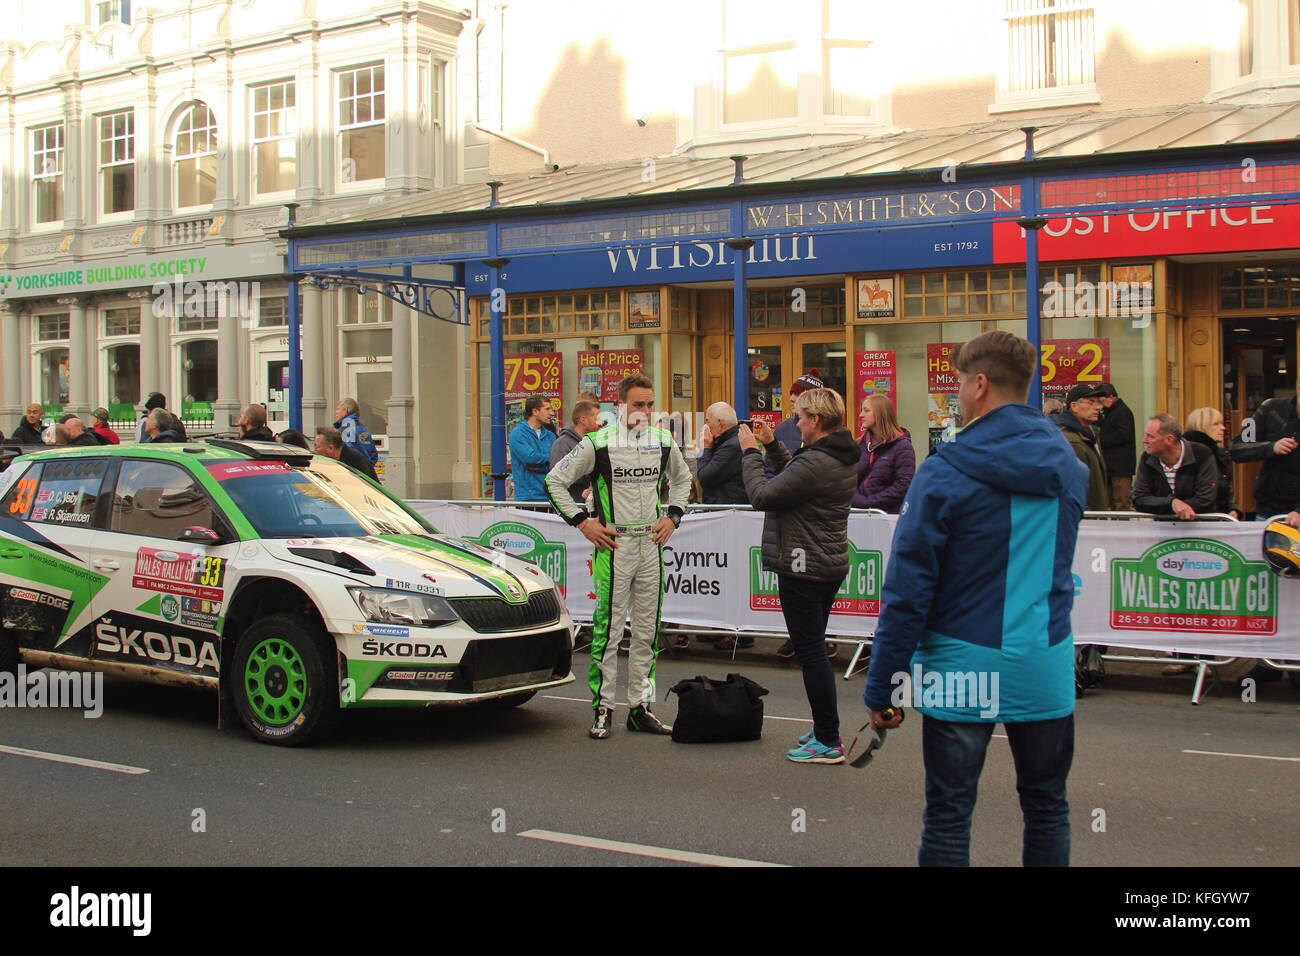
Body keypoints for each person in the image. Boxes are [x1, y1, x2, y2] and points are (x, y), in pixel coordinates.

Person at [863, 330, 1089, 866]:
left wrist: (884, 684)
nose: (959, 393)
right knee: (1047, 807)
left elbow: (910, 590)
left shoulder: (943, 471)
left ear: (980, 384)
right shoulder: (1071, 469)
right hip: (1044, 654)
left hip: (962, 660)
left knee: (948, 815)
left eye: (962, 382)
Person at [544, 373, 691, 739]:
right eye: (638, 404)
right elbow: (554, 482)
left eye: (650, 404)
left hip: (651, 547)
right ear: (620, 406)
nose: (644, 411)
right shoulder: (598, 442)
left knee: (647, 632)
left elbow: (684, 479)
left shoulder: (662, 439)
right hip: (615, 547)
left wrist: (672, 517)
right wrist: (583, 523)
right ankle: (603, 709)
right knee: (609, 631)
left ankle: (641, 708)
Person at [739, 387, 860, 764]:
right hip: (824, 562)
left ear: (817, 421)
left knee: (810, 653)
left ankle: (828, 738)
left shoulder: (818, 461)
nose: (796, 423)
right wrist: (772, 445)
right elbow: (795, 473)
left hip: (803, 565)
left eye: (801, 417)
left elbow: (762, 495)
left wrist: (749, 452)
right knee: (814, 648)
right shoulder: (833, 454)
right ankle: (824, 727)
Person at [1229, 380, 1300, 527]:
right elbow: (1237, 449)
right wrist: (1271, 447)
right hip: (1268, 511)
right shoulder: (1271, 409)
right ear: (1299, 389)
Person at [1131, 414, 1218, 519]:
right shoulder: (1147, 458)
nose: (1144, 440)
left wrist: (1175, 507)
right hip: (1162, 528)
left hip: (1200, 526)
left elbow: (1205, 499)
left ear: (1169, 439)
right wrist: (1171, 503)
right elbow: (1139, 499)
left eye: (1150, 436)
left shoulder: (1202, 454)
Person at [852, 393, 915, 513]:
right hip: (856, 514)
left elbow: (903, 486)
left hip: (887, 518)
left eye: (866, 411)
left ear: (880, 413)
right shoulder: (859, 445)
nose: (861, 415)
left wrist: (868, 502)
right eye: (861, 410)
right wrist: (855, 500)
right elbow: (848, 479)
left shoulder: (902, 447)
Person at [1057, 383, 1109, 511]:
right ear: (1074, 406)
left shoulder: (1089, 437)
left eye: (1098, 403)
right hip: (1086, 521)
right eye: (1091, 402)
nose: (1097, 407)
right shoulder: (1073, 442)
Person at [1184, 407, 1239, 519]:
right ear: (1201, 426)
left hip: (1218, 520)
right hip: (1193, 520)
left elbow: (1223, 490)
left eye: (1222, 424)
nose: (1223, 428)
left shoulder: (1221, 454)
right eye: (1216, 424)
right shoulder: (1186, 454)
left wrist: (1232, 509)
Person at [549, 399, 601, 503]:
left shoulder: (594, 441)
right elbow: (558, 477)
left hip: (589, 506)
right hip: (574, 506)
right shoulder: (562, 444)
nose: (600, 423)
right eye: (597, 418)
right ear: (583, 420)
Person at [508, 396, 557, 502]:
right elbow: (530, 459)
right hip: (528, 498)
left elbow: (557, 463)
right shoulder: (518, 434)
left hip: (550, 497)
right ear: (535, 411)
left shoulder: (550, 436)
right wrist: (549, 460)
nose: (552, 413)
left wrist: (539, 468)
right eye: (547, 409)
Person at [1097, 383, 1136, 512]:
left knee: (1121, 503)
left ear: (1111, 397)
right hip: (1112, 465)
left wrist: (1100, 439)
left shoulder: (1122, 412)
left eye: (1101, 401)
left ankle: (1122, 530)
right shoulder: (1109, 412)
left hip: (1121, 467)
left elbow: (1123, 435)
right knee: (1111, 503)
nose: (1100, 405)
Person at [774, 371, 824, 455]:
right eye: (791, 393)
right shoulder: (782, 428)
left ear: (813, 400)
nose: (791, 398)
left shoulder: (832, 429)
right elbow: (771, 464)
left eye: (798, 394)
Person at [315, 426, 379, 481]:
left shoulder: (355, 460)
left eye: (317, 447)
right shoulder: (332, 461)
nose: (315, 450)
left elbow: (365, 486)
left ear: (330, 448)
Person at [334, 398, 379, 466]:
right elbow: (373, 455)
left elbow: (348, 453)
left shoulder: (347, 428)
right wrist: (367, 468)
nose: (336, 412)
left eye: (338, 409)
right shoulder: (363, 428)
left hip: (352, 472)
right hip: (365, 472)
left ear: (346, 410)